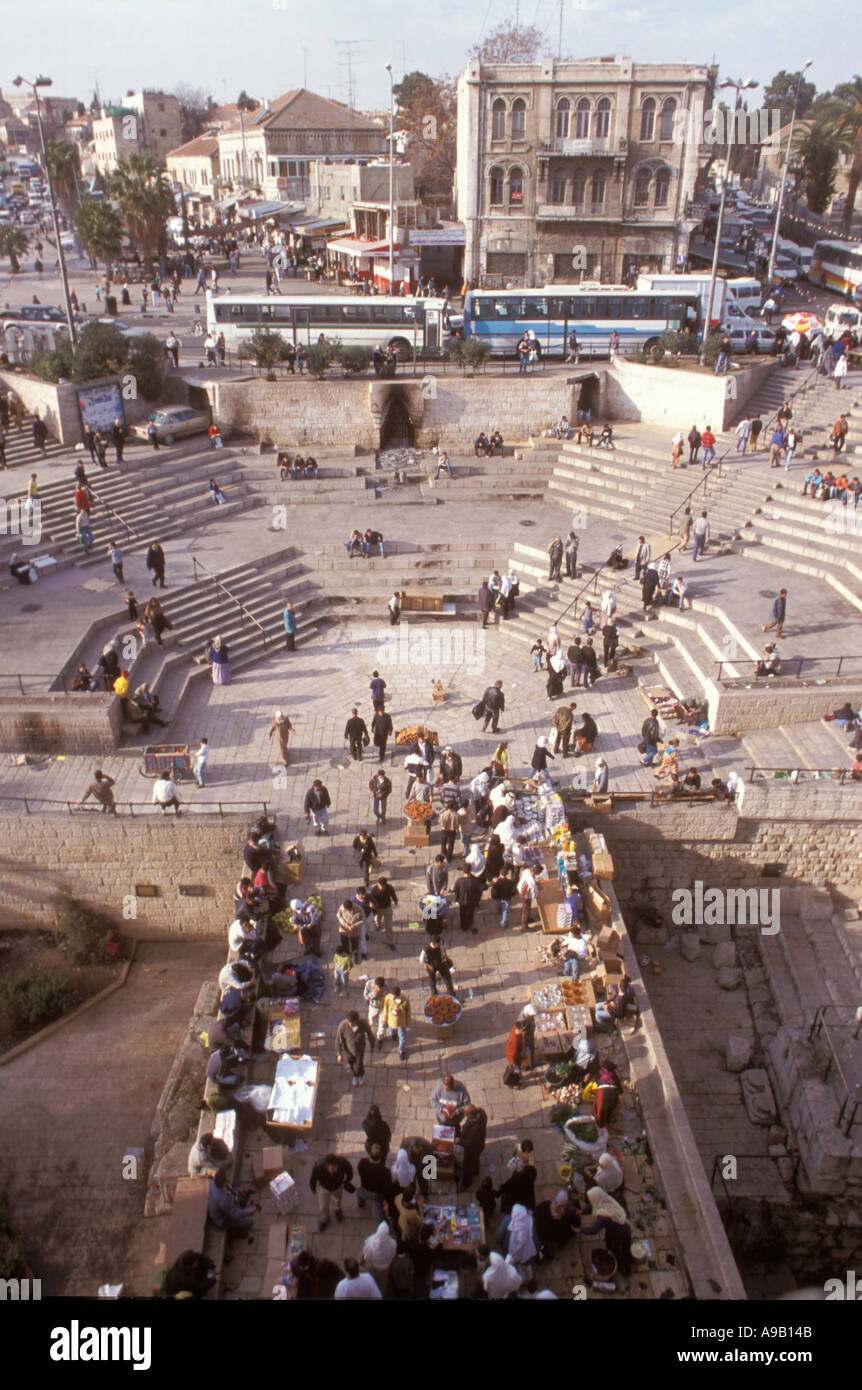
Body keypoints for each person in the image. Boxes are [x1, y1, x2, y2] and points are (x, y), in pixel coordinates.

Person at [580, 1187, 632, 1276]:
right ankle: (611, 1252)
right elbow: (592, 1206)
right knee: (609, 1242)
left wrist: (580, 1230)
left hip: (621, 1235)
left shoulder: (603, 1216)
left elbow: (594, 1230)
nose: (590, 1202)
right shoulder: (605, 1199)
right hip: (618, 1227)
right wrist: (582, 1212)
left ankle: (625, 1270)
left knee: (622, 1252)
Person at [310, 1152, 354, 1231]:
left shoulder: (343, 1163)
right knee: (323, 1206)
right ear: (326, 1166)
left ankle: (337, 1210)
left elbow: (350, 1173)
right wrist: (313, 1188)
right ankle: (324, 1219)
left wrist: (345, 1182)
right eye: (331, 1168)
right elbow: (313, 1179)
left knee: (337, 1200)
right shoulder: (318, 1166)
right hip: (324, 1188)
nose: (334, 1170)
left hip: (337, 1187)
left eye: (335, 1167)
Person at [207, 1169, 257, 1234]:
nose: (228, 1176)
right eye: (226, 1177)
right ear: (223, 1182)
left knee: (243, 1196)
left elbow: (229, 1186)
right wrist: (251, 1211)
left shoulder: (214, 1182)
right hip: (223, 1220)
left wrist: (238, 1190)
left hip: (229, 1206)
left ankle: (241, 1209)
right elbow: (235, 1214)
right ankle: (236, 1232)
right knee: (249, 1221)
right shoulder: (223, 1200)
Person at [534, 1191, 580, 1256]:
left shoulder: (544, 1204)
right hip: (552, 1237)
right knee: (567, 1232)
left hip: (541, 1232)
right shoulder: (563, 1219)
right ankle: (560, 1246)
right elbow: (567, 1229)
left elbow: (535, 1212)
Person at [383, 984, 411, 1059]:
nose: (394, 997)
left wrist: (408, 1021)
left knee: (402, 1037)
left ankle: (401, 1050)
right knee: (391, 1030)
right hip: (391, 1021)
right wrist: (385, 1019)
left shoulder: (405, 1000)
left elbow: (408, 1012)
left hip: (401, 1023)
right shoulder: (388, 998)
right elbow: (385, 1009)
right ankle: (393, 1035)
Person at [504, 1020, 529, 1089]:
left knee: (516, 1070)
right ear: (520, 1030)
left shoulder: (515, 1027)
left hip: (513, 1053)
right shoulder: (515, 1042)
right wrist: (514, 1064)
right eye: (523, 1031)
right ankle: (514, 1084)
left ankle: (516, 1080)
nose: (524, 1032)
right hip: (513, 1057)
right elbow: (512, 1055)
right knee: (515, 1071)